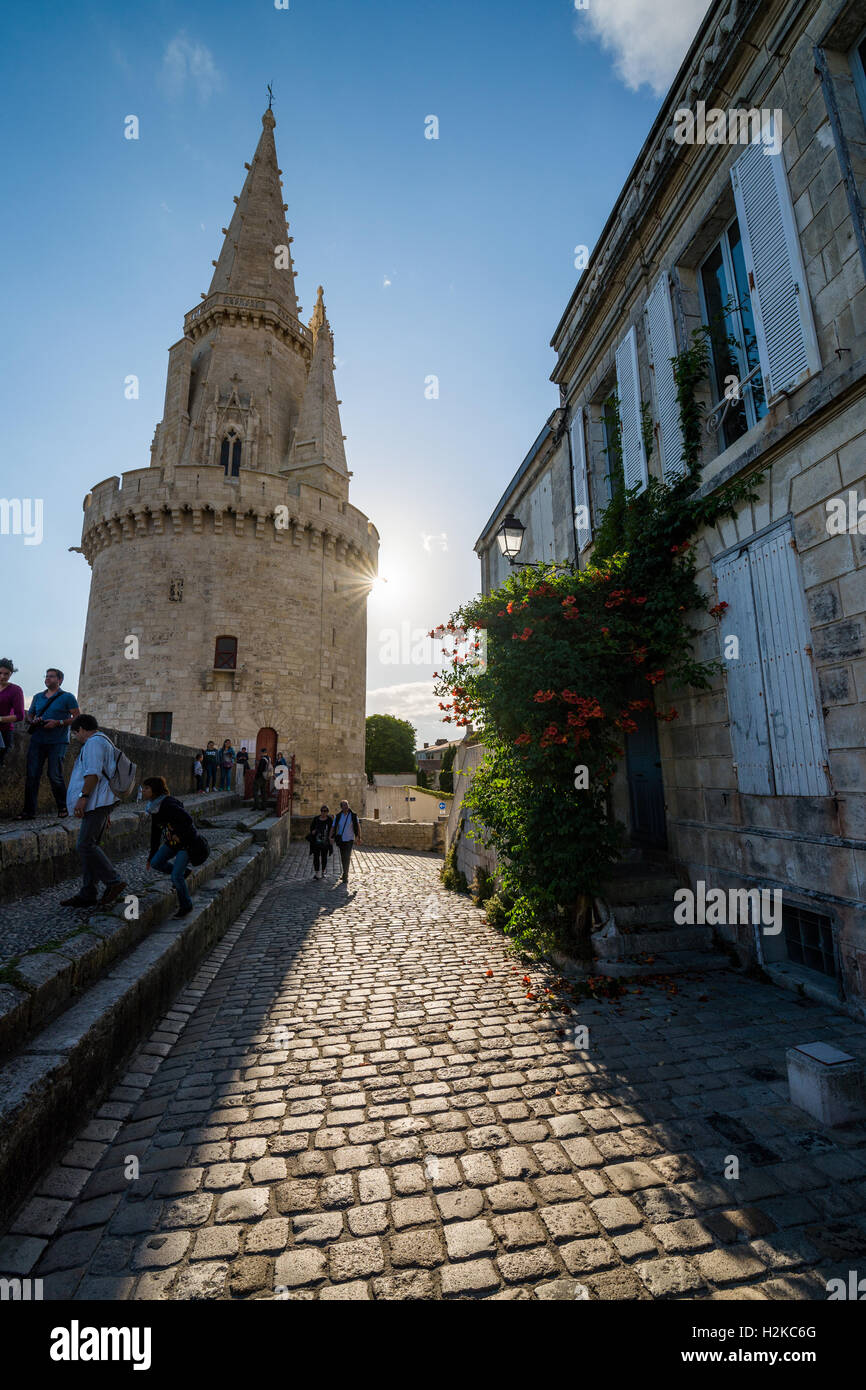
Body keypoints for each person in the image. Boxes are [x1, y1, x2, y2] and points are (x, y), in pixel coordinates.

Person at [59, 714, 126, 910]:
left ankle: (114, 881)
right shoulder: (104, 741)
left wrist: (83, 797)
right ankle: (88, 892)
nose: (76, 738)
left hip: (97, 801)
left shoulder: (93, 743)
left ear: (81, 729)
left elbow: (94, 773)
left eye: (76, 733)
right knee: (90, 845)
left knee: (85, 845)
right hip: (101, 803)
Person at [21, 668, 80, 819]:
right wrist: (33, 720)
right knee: (32, 775)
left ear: (59, 680)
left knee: (54, 775)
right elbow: (29, 715)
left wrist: (58, 722)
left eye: (51, 677)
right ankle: (29, 812)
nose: (47, 679)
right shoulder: (38, 697)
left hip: (58, 741)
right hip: (38, 740)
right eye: (46, 676)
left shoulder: (67, 697)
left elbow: (77, 717)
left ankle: (63, 807)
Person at [142, 776, 196, 919]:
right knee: (156, 862)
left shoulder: (167, 804)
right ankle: (184, 872)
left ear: (155, 790)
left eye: (146, 788)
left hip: (186, 842)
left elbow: (188, 820)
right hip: (172, 842)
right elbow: (155, 833)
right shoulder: (154, 807)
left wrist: (179, 835)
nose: (143, 791)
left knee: (175, 877)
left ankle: (186, 905)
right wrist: (151, 856)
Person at [0, 659, 25, 771]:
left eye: (6, 674)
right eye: (0, 673)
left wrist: (0, 719)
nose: (3, 676)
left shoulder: (15, 690)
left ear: (11, 673)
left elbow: (20, 716)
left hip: (4, 733)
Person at [331, 799, 361, 883]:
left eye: (347, 805)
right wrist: (331, 837)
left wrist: (359, 837)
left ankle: (345, 875)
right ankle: (345, 873)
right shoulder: (338, 816)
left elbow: (358, 827)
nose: (346, 806)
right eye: (344, 805)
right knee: (343, 857)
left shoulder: (353, 815)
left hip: (350, 839)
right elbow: (333, 827)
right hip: (341, 840)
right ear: (341, 807)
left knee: (347, 857)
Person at [307, 805, 333, 880]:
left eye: (325, 811)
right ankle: (317, 873)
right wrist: (313, 831)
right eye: (322, 811)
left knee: (324, 858)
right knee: (316, 857)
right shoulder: (316, 819)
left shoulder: (329, 820)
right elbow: (311, 828)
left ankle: (323, 872)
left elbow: (332, 829)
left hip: (325, 843)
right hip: (316, 843)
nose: (323, 812)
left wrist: (331, 838)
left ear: (327, 812)